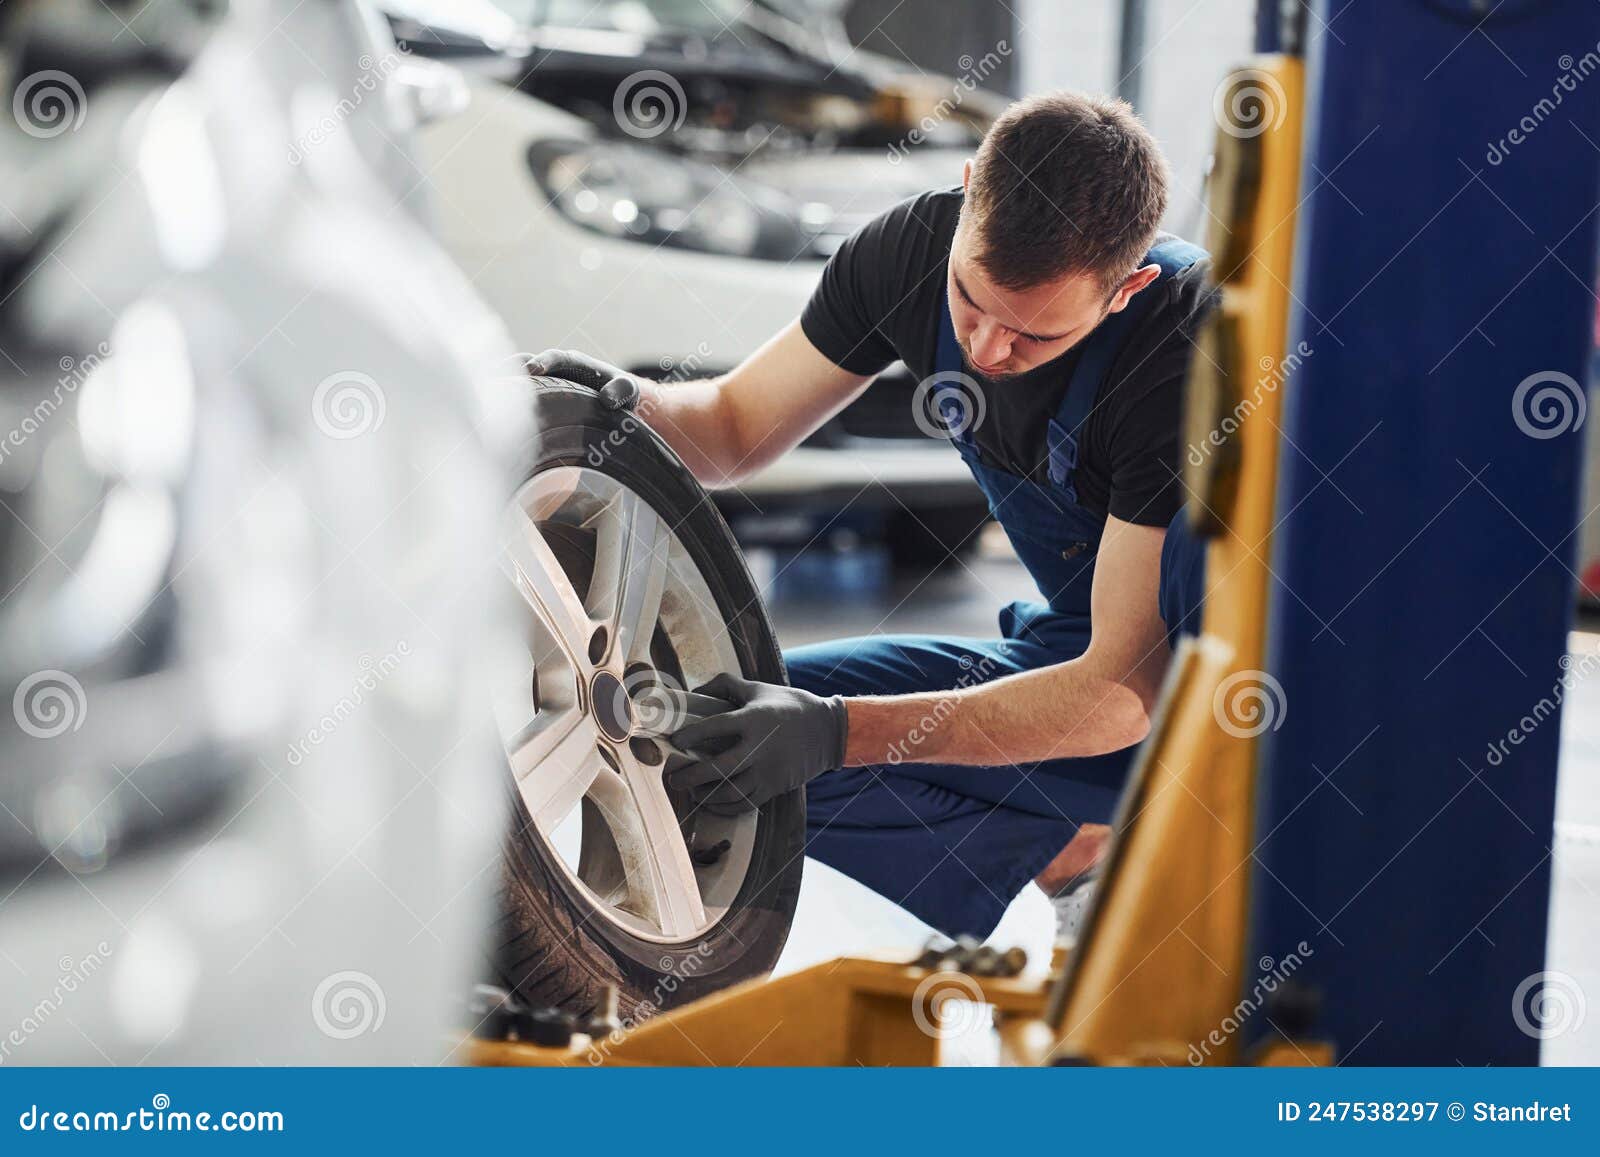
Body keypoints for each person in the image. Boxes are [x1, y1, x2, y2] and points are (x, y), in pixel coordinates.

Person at [531, 91, 1215, 942]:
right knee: (725, 727)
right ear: (968, 192)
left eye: (1034, 339)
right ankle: (1070, 846)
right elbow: (736, 430)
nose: (989, 350)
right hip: (1074, 650)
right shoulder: (909, 252)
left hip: (1220, 711)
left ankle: (1144, 852)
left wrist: (838, 733)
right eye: (973, 302)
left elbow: (1120, 696)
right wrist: (627, 406)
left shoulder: (1182, 351)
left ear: (1128, 288)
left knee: (818, 735)